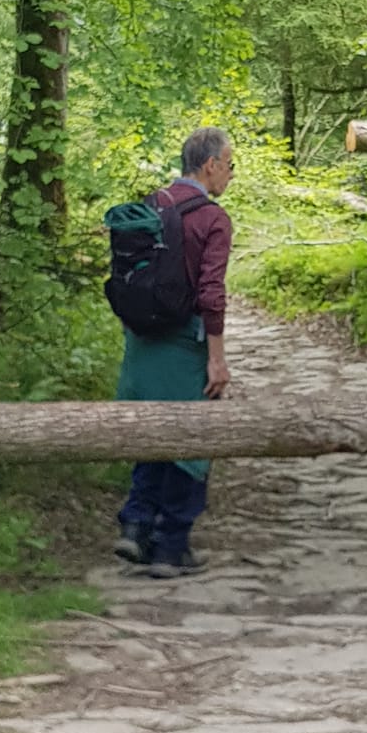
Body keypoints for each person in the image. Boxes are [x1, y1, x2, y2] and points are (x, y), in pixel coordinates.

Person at [114, 127, 234, 578]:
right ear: (210, 165)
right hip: (185, 342)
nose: (231, 174)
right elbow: (211, 293)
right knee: (192, 439)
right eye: (230, 165)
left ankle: (136, 525)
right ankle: (170, 546)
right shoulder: (212, 218)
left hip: (142, 340)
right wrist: (216, 357)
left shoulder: (151, 204)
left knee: (150, 431)